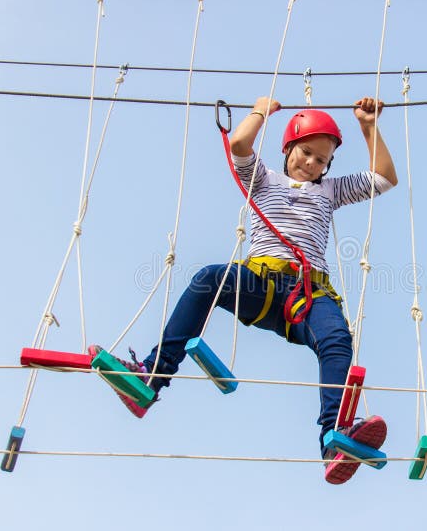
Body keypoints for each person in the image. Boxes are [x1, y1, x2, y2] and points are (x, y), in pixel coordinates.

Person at [90, 96, 397, 484]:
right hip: (261, 283)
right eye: (306, 153)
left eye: (322, 160)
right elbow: (239, 146)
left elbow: (385, 177)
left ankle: (333, 440)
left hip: (308, 294)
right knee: (208, 279)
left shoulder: (330, 191)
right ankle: (152, 377)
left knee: (337, 339)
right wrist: (260, 111)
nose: (312, 164)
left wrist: (368, 127)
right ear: (288, 148)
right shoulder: (263, 178)